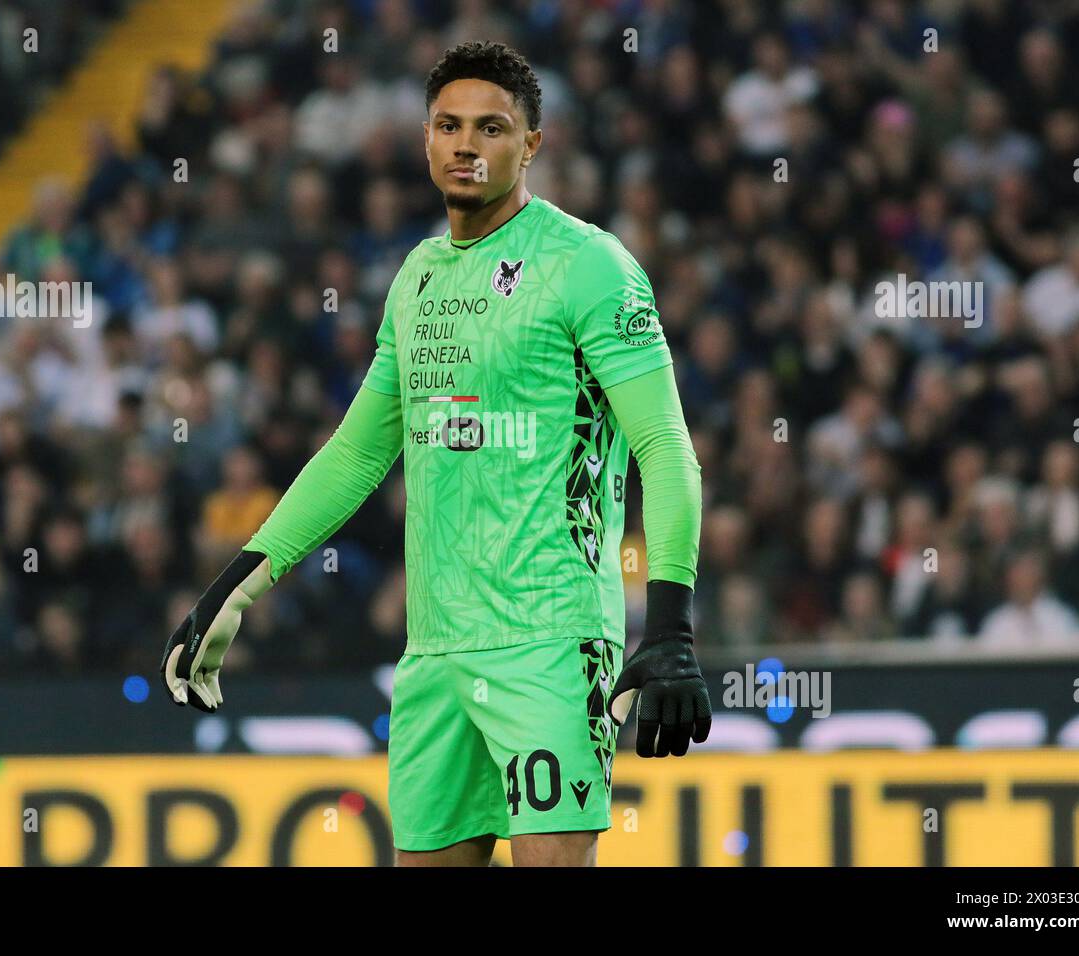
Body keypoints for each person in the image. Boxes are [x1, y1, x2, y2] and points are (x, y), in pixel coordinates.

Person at [159, 41, 709, 867]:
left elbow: (664, 447)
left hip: (550, 640)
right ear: (424, 139)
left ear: (531, 144)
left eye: (491, 128)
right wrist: (235, 586)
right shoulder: (417, 277)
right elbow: (356, 453)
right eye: (448, 126)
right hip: (434, 654)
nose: (465, 145)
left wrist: (669, 628)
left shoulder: (590, 265)